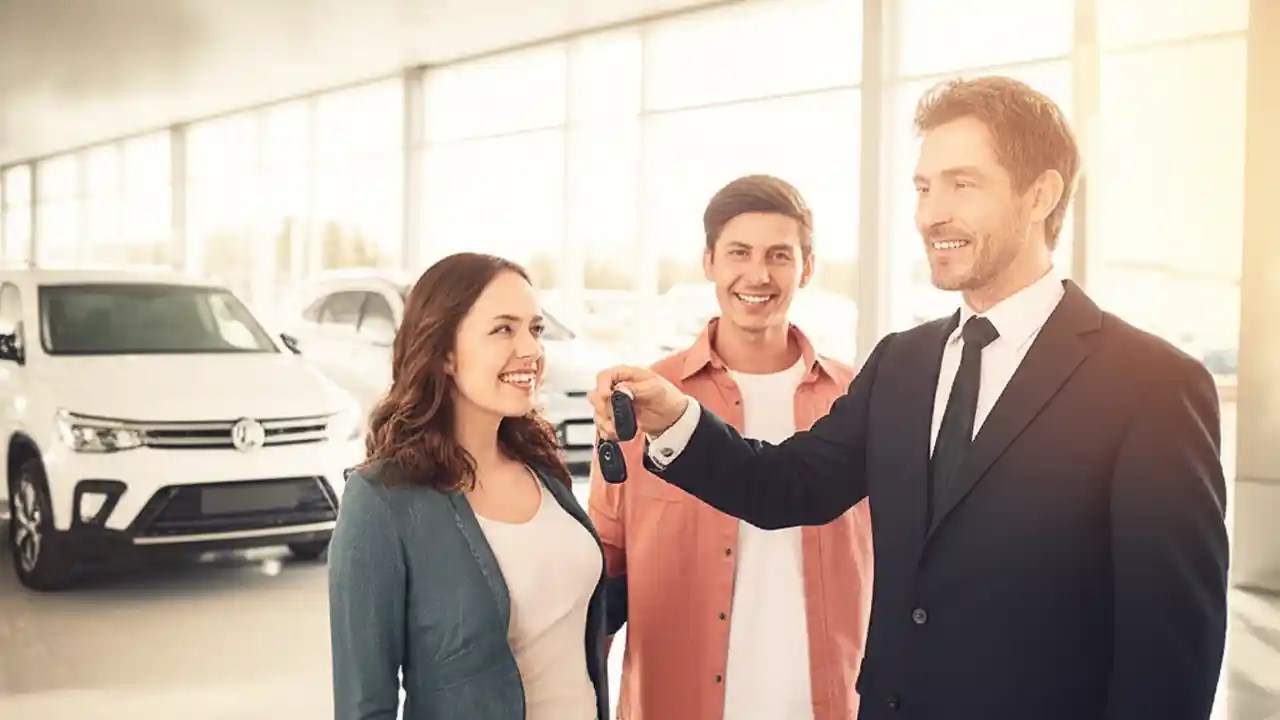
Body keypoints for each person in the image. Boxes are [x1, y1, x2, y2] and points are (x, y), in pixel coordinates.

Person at [590, 76, 1229, 720]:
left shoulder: (1151, 385)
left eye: (962, 183)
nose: (931, 213)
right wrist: (674, 417)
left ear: (1041, 195)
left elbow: (1170, 655)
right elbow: (788, 485)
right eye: (924, 188)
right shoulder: (903, 362)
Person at [588, 175, 874, 720]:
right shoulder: (648, 402)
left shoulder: (856, 402)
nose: (758, 275)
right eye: (739, 252)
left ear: (806, 269)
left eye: (779, 255)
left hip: (829, 704)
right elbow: (603, 574)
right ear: (709, 262)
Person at [329, 252, 611, 720]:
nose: (531, 349)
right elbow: (364, 704)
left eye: (535, 329)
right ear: (444, 353)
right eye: (504, 329)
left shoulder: (542, 466)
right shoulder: (381, 502)